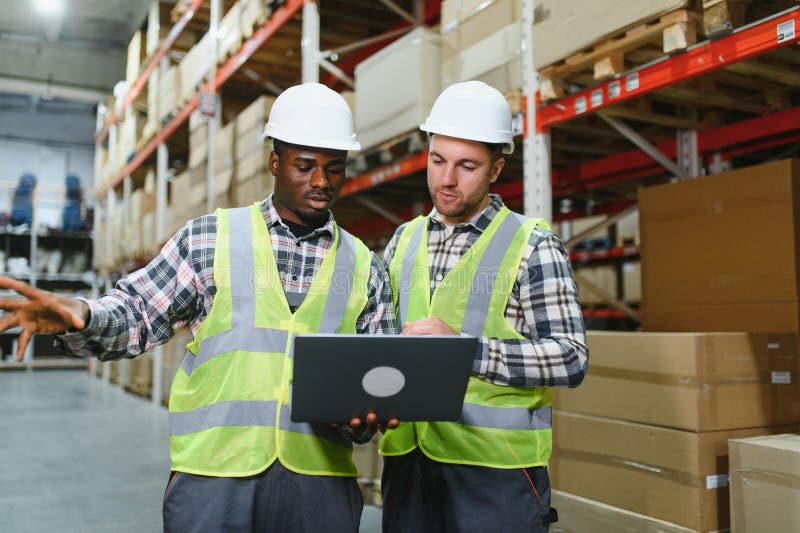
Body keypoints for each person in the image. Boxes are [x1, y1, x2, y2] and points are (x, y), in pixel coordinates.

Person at [0, 82, 398, 533]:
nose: (321, 182)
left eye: (334, 168)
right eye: (304, 166)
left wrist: (364, 422)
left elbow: (377, 383)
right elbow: (138, 313)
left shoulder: (366, 267)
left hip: (317, 489)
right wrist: (86, 315)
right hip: (214, 480)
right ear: (275, 161)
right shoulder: (211, 239)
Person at [379, 80, 589, 533]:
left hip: (495, 472)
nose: (447, 179)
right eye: (437, 161)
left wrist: (465, 351)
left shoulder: (531, 245)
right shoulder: (403, 240)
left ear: (496, 169)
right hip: (408, 465)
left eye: (467, 166)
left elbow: (571, 357)